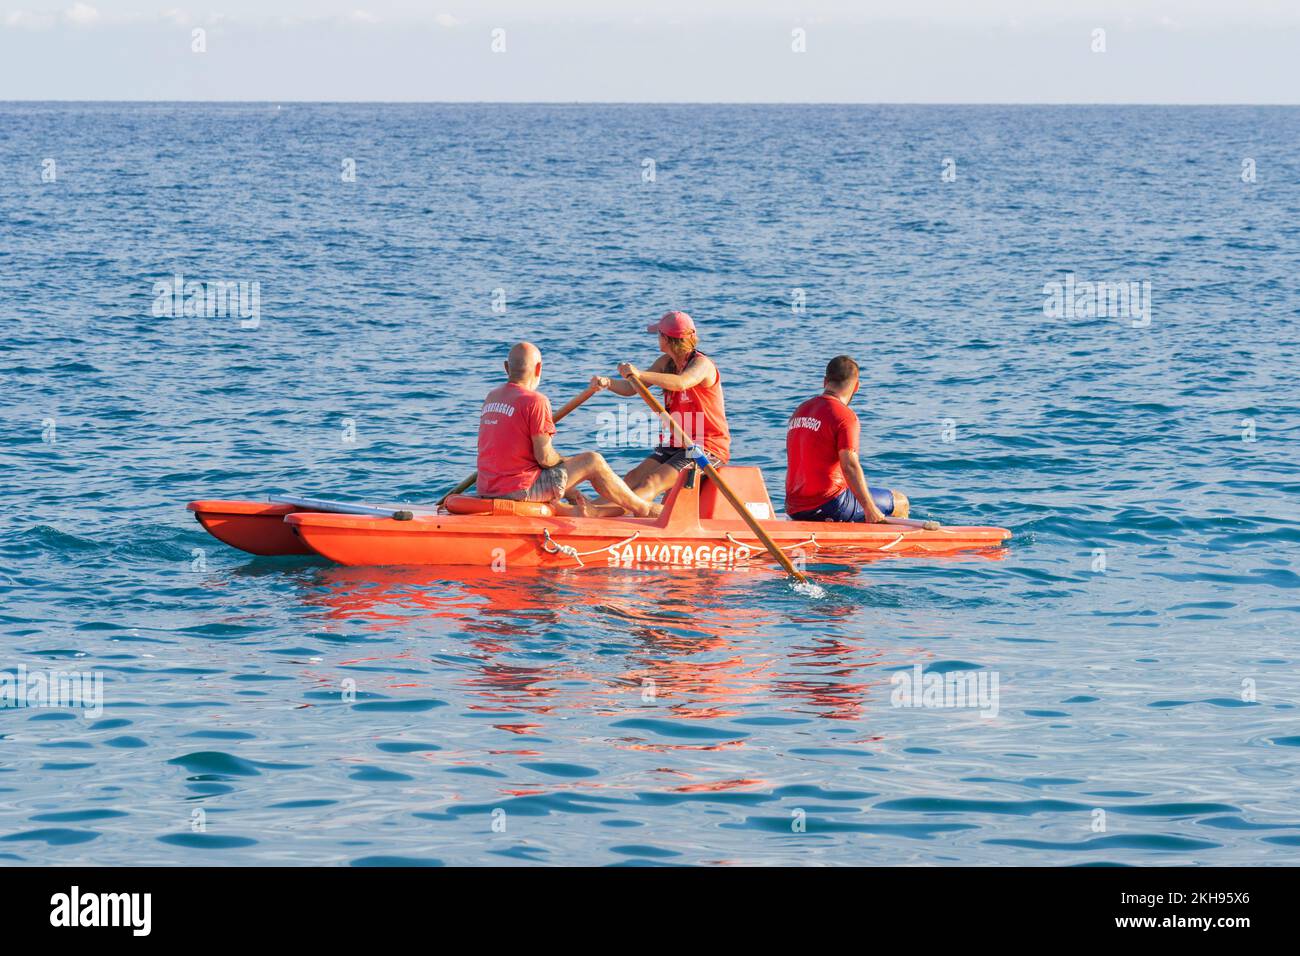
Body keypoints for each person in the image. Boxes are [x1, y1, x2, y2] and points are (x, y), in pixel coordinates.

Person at [477, 342, 661, 517]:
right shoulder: (536, 401)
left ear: (506, 368)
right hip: (519, 490)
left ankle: (581, 508)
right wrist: (572, 462)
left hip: (487, 488)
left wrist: (567, 466)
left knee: (562, 470)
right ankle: (643, 509)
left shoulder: (492, 397)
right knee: (592, 461)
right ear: (539, 368)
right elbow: (545, 459)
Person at [589, 311, 731, 501]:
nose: (657, 339)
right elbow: (631, 388)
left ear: (666, 338)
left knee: (651, 482)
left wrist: (639, 374)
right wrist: (607, 383)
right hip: (677, 443)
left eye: (659, 335)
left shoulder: (702, 365)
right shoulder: (666, 363)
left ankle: (599, 515)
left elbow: (682, 382)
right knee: (632, 478)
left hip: (706, 447)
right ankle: (590, 511)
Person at [784, 355, 895, 524]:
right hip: (829, 504)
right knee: (899, 501)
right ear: (856, 386)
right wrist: (870, 509)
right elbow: (849, 466)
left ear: (825, 381)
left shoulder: (800, 410)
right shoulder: (845, 417)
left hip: (794, 507)